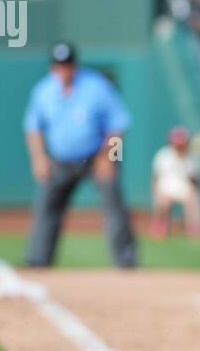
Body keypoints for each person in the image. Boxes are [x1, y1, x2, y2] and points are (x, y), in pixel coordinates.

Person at [23, 43, 137, 268]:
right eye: (58, 66)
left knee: (114, 206)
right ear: (52, 68)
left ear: (75, 66)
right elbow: (33, 128)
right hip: (59, 159)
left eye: (67, 65)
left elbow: (118, 125)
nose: (63, 70)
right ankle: (38, 260)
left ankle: (126, 262)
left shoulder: (96, 87)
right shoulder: (44, 91)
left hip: (97, 157)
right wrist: (39, 158)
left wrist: (111, 157)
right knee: (47, 207)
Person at [150, 126, 200, 239]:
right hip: (166, 189)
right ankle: (160, 226)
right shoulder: (163, 156)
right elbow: (156, 178)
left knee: (193, 199)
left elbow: (197, 180)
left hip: (184, 190)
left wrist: (194, 179)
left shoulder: (191, 158)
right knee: (162, 200)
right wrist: (155, 192)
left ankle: (194, 229)